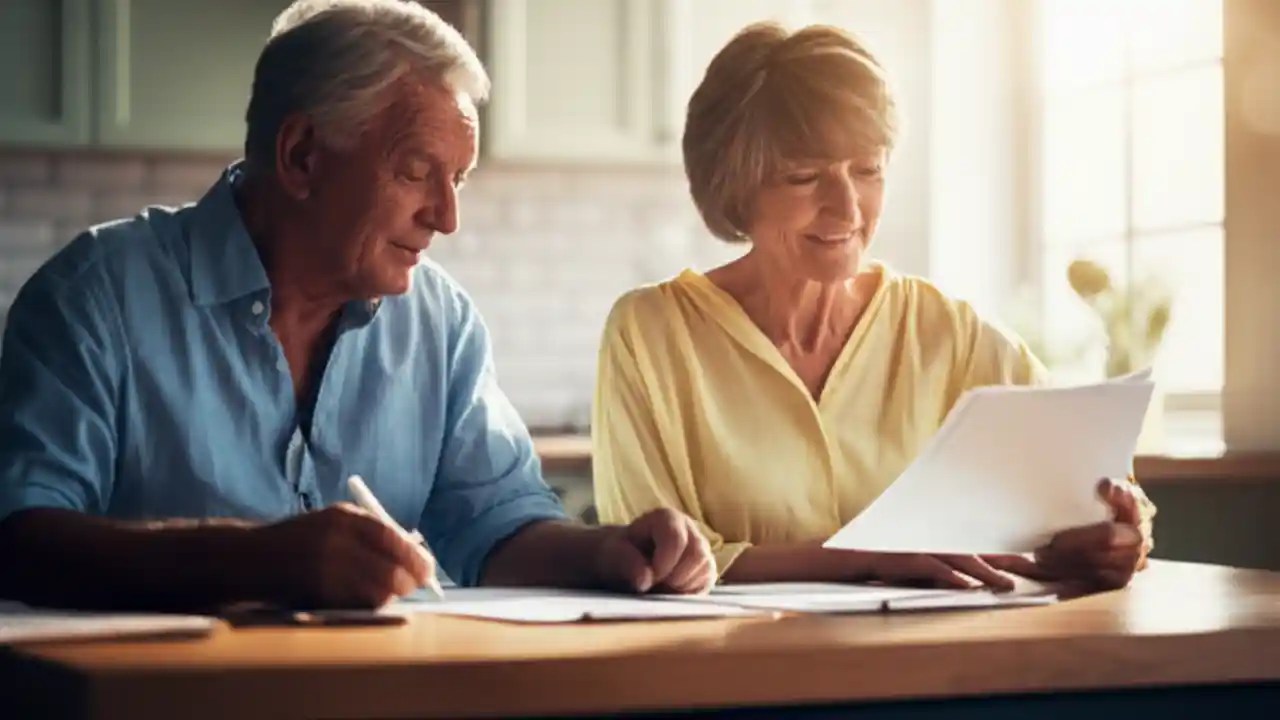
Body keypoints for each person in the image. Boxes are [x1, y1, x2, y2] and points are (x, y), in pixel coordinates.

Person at [0, 0, 714, 612]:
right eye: (415, 173)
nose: (446, 216)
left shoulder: (442, 323)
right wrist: (251, 561)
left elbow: (497, 527)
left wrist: (609, 553)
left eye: (459, 179)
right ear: (303, 155)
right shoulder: (96, 294)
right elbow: (22, 538)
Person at [592, 22, 1155, 592]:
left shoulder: (950, 332)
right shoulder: (651, 333)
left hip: (938, 666)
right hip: (729, 670)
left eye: (868, 170)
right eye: (804, 177)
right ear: (735, 186)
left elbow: (1094, 488)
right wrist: (863, 559)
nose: (846, 208)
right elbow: (650, 559)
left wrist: (1118, 535)